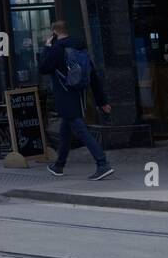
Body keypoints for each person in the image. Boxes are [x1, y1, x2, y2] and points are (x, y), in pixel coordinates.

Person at [38, 21, 114, 180]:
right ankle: (59, 165)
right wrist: (102, 101)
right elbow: (92, 76)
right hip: (79, 95)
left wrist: (47, 47)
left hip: (65, 96)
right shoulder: (80, 47)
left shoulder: (57, 49)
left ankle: (102, 163)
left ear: (54, 33)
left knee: (81, 131)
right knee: (65, 132)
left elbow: (43, 68)